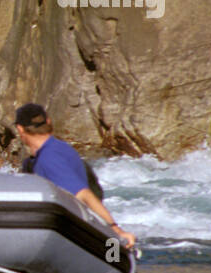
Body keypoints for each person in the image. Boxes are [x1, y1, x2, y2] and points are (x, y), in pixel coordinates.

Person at [14, 103, 135, 248]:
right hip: (89, 230)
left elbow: (84, 194)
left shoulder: (49, 158)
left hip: (82, 238)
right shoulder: (59, 148)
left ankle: (115, 255)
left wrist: (115, 230)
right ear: (48, 122)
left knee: (112, 256)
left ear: (20, 129)